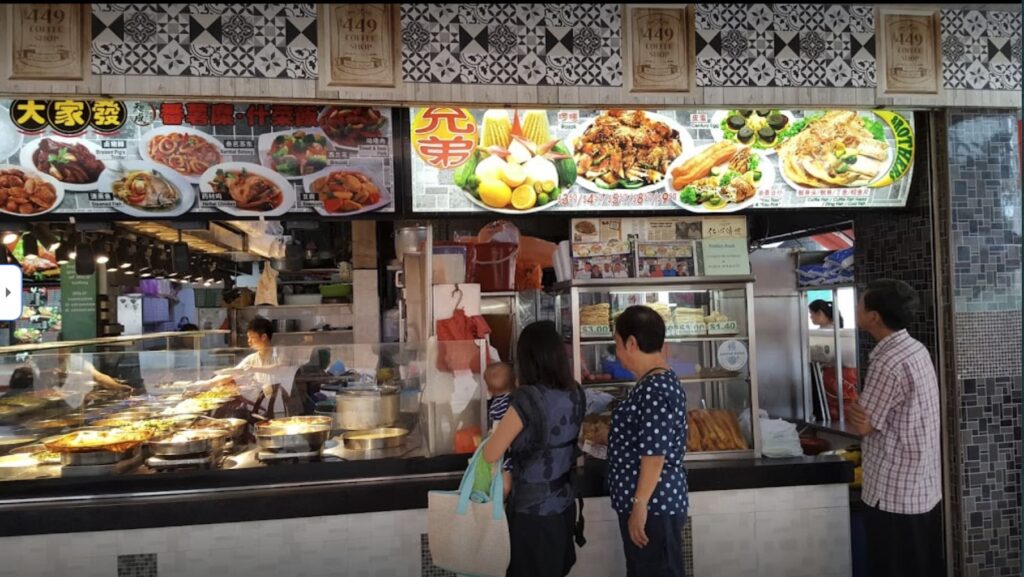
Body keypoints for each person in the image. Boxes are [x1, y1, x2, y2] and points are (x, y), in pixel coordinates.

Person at [846, 280, 942, 577]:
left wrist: (859, 413)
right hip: (922, 485)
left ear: (874, 317)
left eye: (861, 304)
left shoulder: (887, 362)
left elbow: (864, 424)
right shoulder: (915, 348)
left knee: (892, 566)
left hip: (893, 491)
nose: (856, 308)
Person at [483, 321, 585, 577]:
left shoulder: (527, 399)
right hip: (564, 508)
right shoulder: (576, 392)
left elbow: (491, 453)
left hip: (533, 515)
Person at [608, 305, 688, 577]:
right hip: (652, 505)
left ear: (631, 343)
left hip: (654, 508)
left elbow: (654, 455)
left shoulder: (656, 388)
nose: (617, 353)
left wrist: (640, 505)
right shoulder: (653, 383)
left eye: (617, 344)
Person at [808, 299, 859, 420]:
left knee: (835, 406)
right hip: (846, 377)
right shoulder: (838, 331)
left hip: (834, 377)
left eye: (811, 313)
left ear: (820, 313)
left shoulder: (825, 334)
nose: (810, 317)